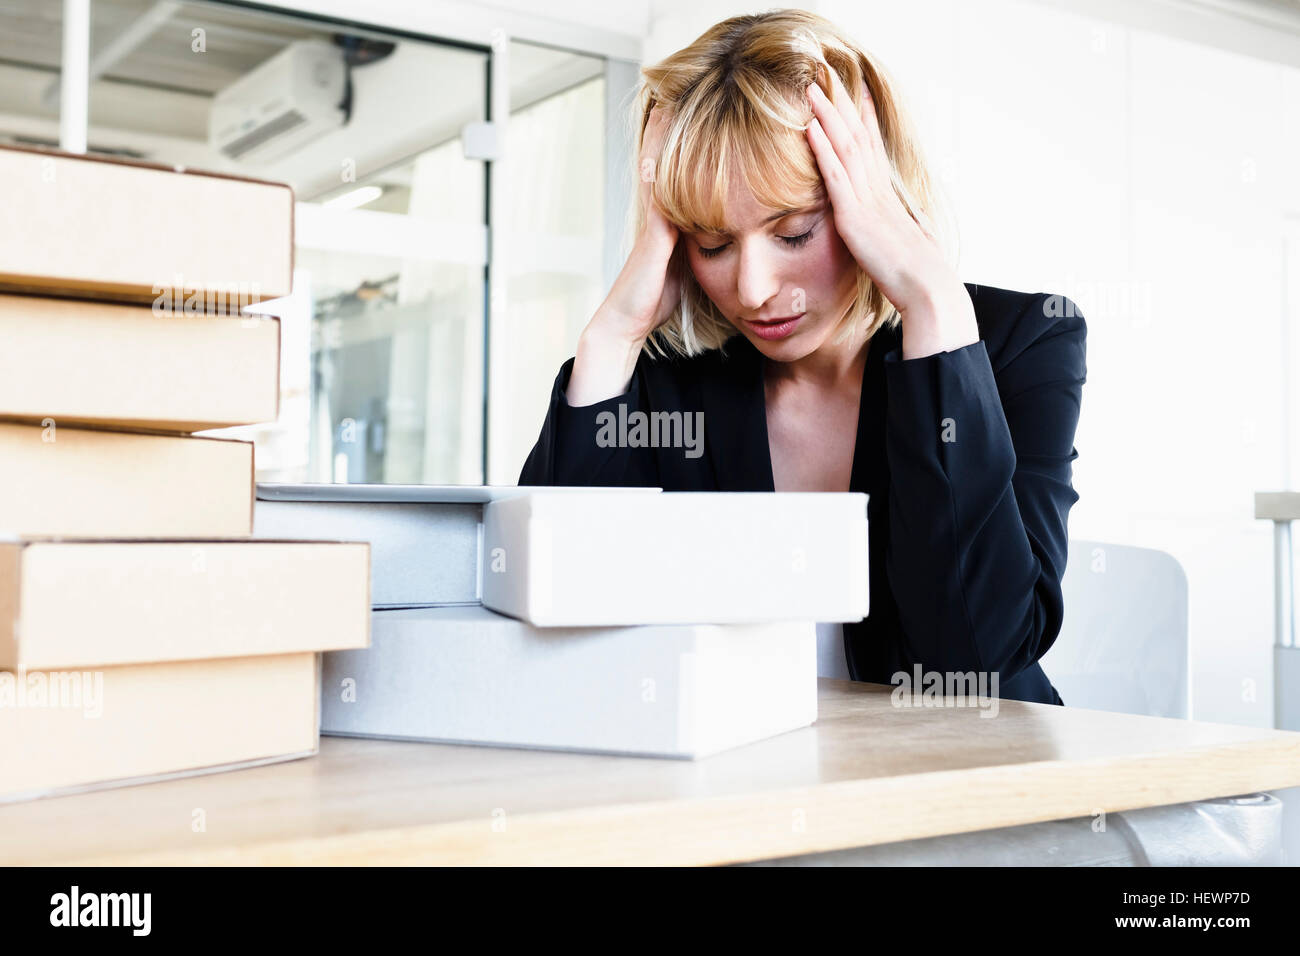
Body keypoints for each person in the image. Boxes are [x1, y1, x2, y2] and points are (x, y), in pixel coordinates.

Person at [518, 9, 1086, 705]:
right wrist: (609, 339)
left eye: (793, 233)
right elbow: (560, 616)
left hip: (971, 785)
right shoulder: (663, 385)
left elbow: (972, 654)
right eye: (713, 243)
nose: (752, 290)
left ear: (869, 196)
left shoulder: (1016, 344)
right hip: (747, 785)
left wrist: (933, 310)